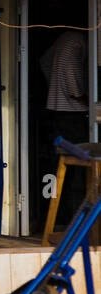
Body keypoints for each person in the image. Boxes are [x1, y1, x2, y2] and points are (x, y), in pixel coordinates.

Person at [41, 29, 89, 221]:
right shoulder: (77, 40)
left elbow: (44, 61)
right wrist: (81, 96)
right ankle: (75, 216)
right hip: (73, 113)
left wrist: (54, 87)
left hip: (55, 109)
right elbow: (71, 75)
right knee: (79, 165)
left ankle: (53, 214)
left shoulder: (63, 38)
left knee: (57, 164)